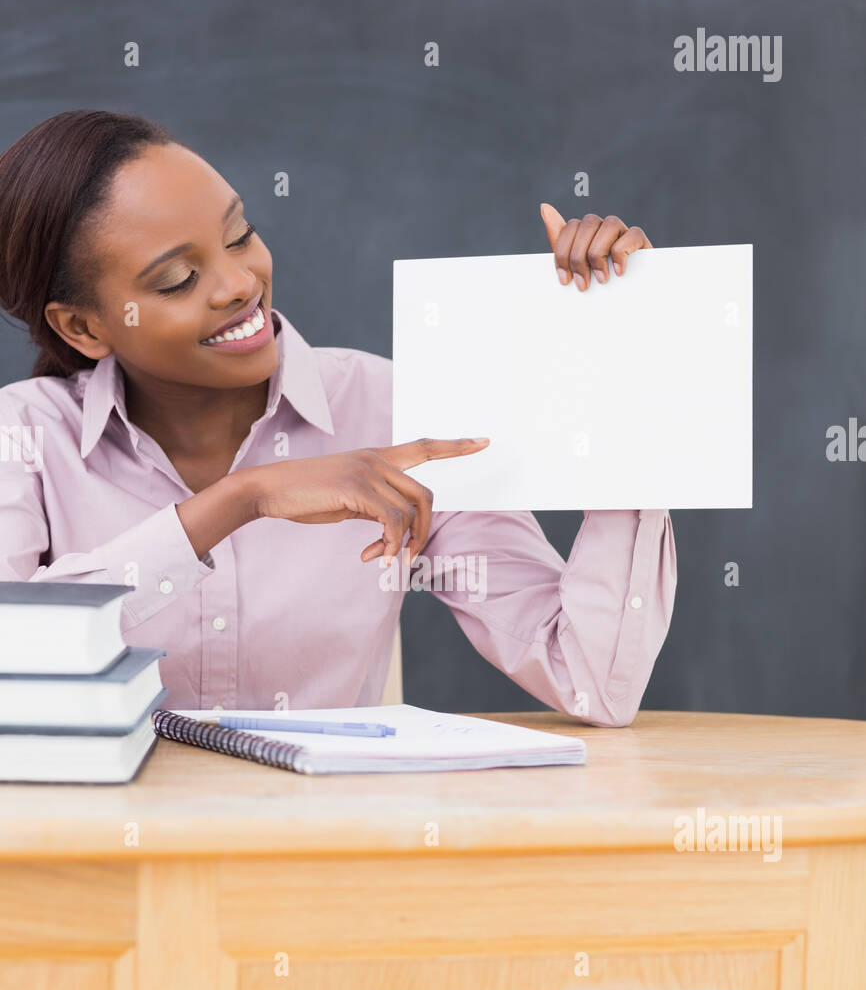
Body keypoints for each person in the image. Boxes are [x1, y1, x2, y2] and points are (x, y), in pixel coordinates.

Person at [0, 110, 675, 722]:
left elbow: (592, 680)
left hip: (324, 846)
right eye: (178, 280)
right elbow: (14, 656)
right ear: (84, 327)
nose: (239, 285)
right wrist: (243, 499)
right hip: (101, 852)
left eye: (240, 236)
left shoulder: (395, 414)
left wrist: (610, 385)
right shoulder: (24, 437)